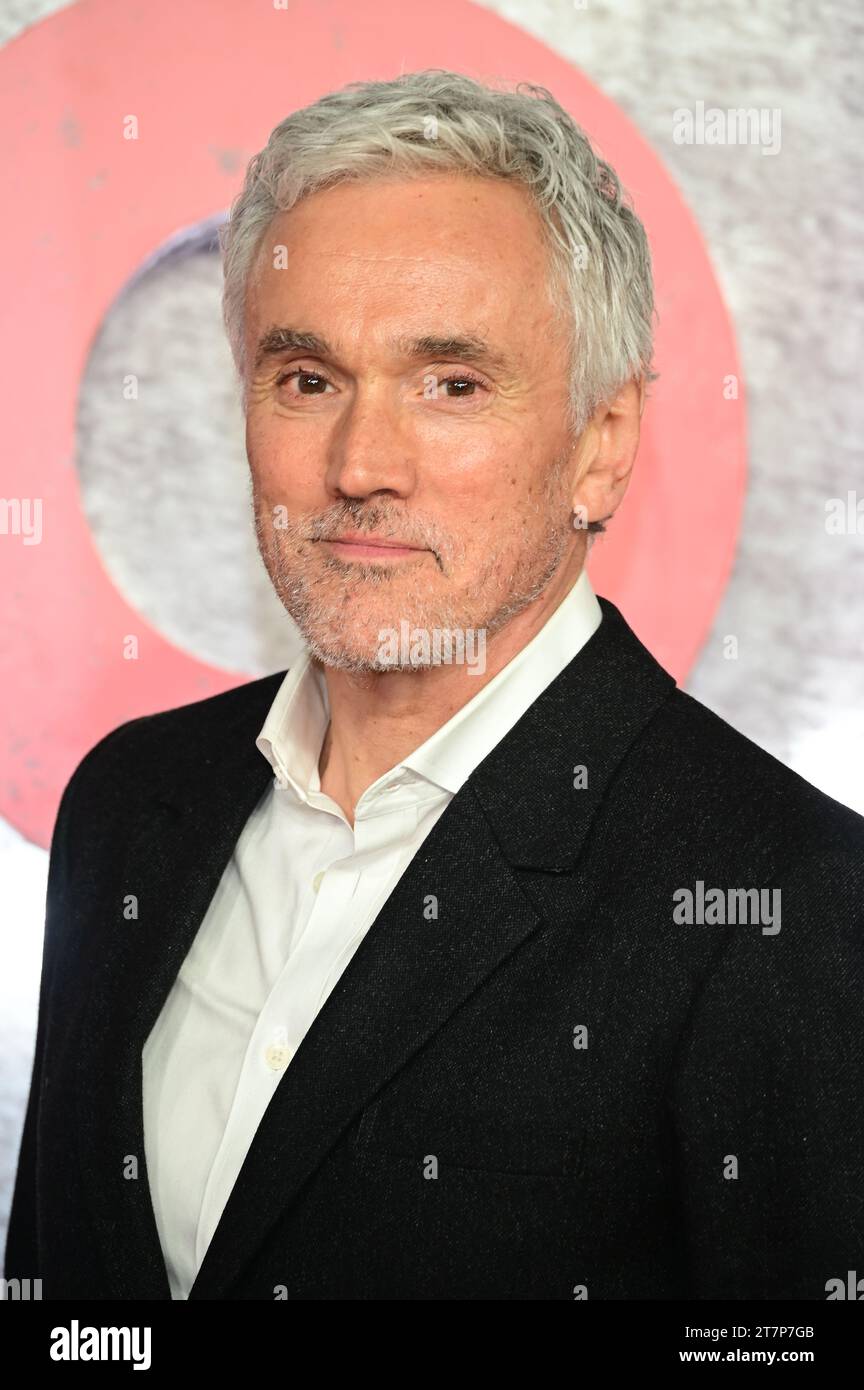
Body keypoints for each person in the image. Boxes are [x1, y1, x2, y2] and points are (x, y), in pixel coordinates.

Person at [5, 69, 863, 1301]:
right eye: (308, 379)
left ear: (602, 446)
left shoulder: (791, 904)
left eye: (451, 383)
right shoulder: (130, 804)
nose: (359, 465)